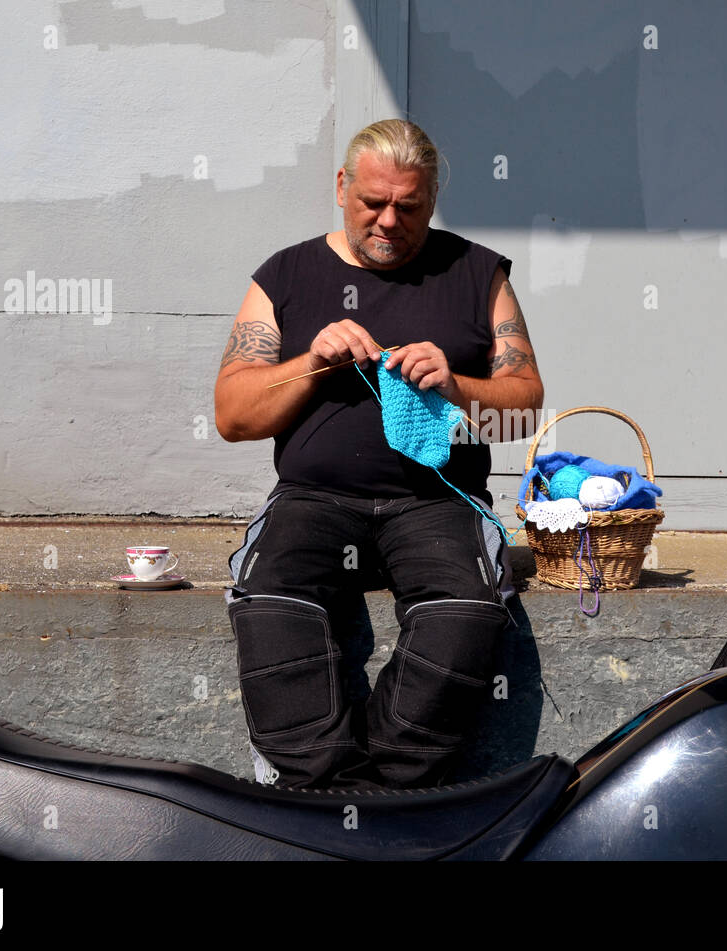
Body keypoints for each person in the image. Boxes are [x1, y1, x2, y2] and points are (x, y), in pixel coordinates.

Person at [213, 119, 543, 790]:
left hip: (435, 499)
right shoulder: (286, 274)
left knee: (467, 610)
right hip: (313, 497)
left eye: (410, 207)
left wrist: (456, 382)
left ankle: (390, 783)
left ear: (432, 198)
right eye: (373, 203)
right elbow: (232, 415)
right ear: (341, 187)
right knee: (268, 594)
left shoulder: (477, 274)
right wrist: (312, 363)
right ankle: (319, 783)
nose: (390, 220)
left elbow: (524, 404)